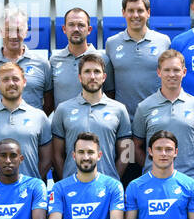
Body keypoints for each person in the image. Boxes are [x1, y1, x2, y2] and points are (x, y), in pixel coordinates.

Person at [132, 50, 194, 183]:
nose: (172, 75)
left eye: (176, 70)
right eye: (167, 70)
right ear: (159, 72)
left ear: (184, 72)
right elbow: (135, 146)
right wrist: (154, 167)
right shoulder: (144, 107)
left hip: (190, 179)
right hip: (153, 181)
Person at [49, 53, 132, 181]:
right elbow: (55, 155)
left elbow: (127, 153)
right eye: (87, 72)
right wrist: (65, 180)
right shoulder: (63, 109)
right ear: (80, 77)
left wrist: (114, 180)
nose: (92, 76)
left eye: (97, 72)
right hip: (72, 185)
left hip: (107, 186)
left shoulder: (119, 109)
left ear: (104, 77)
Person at [122, 130, 194, 219]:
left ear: (176, 152)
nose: (163, 153)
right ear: (150, 151)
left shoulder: (190, 185)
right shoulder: (135, 186)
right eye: (158, 149)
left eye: (168, 149)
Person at [0, 62, 52, 181]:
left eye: (15, 79)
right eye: (5, 80)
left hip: (28, 193)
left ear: (24, 82)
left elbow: (47, 159)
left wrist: (33, 183)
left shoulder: (39, 116)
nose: (11, 83)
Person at [47, 132, 125, 219]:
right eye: (81, 152)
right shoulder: (59, 188)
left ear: (99, 155)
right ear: (73, 155)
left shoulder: (113, 186)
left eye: (90, 152)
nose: (86, 157)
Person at [104, 0, 172, 118]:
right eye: (130, 10)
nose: (135, 15)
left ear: (148, 13)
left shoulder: (163, 41)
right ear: (123, 12)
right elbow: (109, 87)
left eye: (140, 10)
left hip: (156, 115)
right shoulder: (111, 43)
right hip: (124, 118)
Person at [0, 6, 51, 111]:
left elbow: (49, 103)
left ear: (26, 32)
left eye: (18, 30)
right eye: (9, 30)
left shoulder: (42, 64)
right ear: (1, 32)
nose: (13, 35)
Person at [47, 7, 104, 108]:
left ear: (89, 30)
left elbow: (110, 94)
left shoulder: (102, 59)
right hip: (63, 122)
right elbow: (49, 97)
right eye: (71, 25)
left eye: (81, 25)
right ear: (64, 29)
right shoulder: (54, 60)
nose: (76, 29)